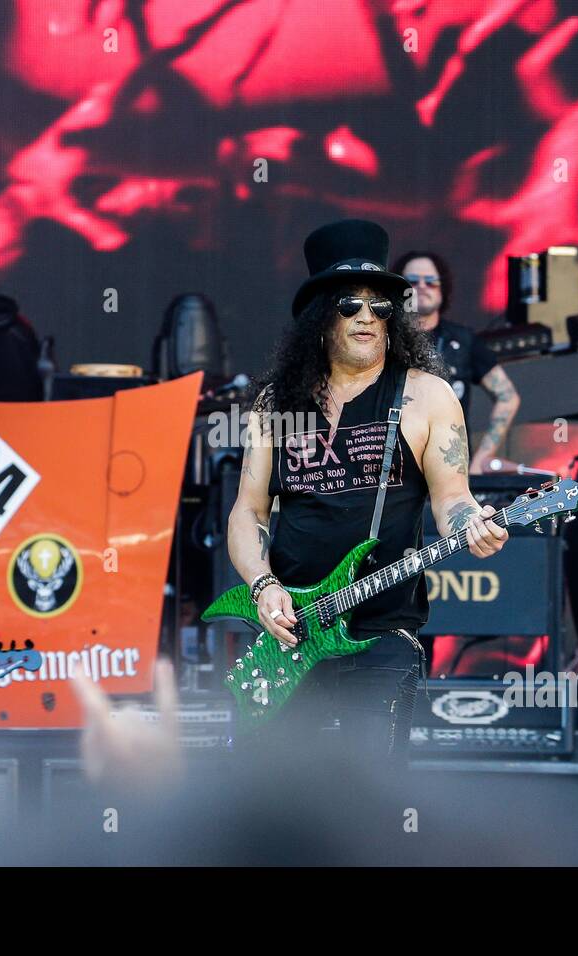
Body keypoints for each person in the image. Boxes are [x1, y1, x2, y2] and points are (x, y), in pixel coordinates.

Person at [227, 220, 508, 766]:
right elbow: (249, 510)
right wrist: (263, 587)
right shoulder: (274, 404)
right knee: (272, 809)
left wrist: (473, 521)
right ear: (320, 316)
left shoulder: (427, 397)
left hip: (380, 635)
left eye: (380, 306)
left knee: (368, 804)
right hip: (290, 635)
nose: (365, 317)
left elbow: (453, 499)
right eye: (349, 304)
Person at [391, 250, 520, 473]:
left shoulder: (463, 339)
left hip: (450, 467)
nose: (422, 286)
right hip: (395, 467)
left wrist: (482, 458)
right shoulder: (385, 338)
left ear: (443, 289)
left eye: (431, 281)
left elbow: (508, 397)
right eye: (412, 281)